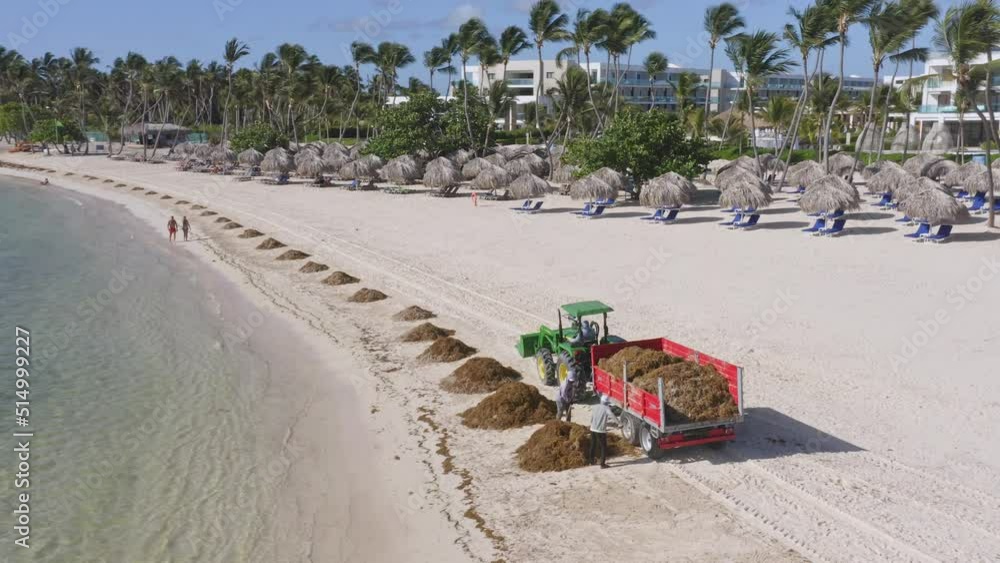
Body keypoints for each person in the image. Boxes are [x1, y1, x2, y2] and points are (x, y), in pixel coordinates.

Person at [589, 395, 614, 469]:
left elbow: (591, 418)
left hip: (592, 429)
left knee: (593, 444)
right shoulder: (607, 408)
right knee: (603, 447)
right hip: (600, 431)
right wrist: (619, 423)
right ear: (607, 402)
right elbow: (612, 416)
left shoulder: (595, 407)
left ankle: (591, 461)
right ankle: (602, 464)